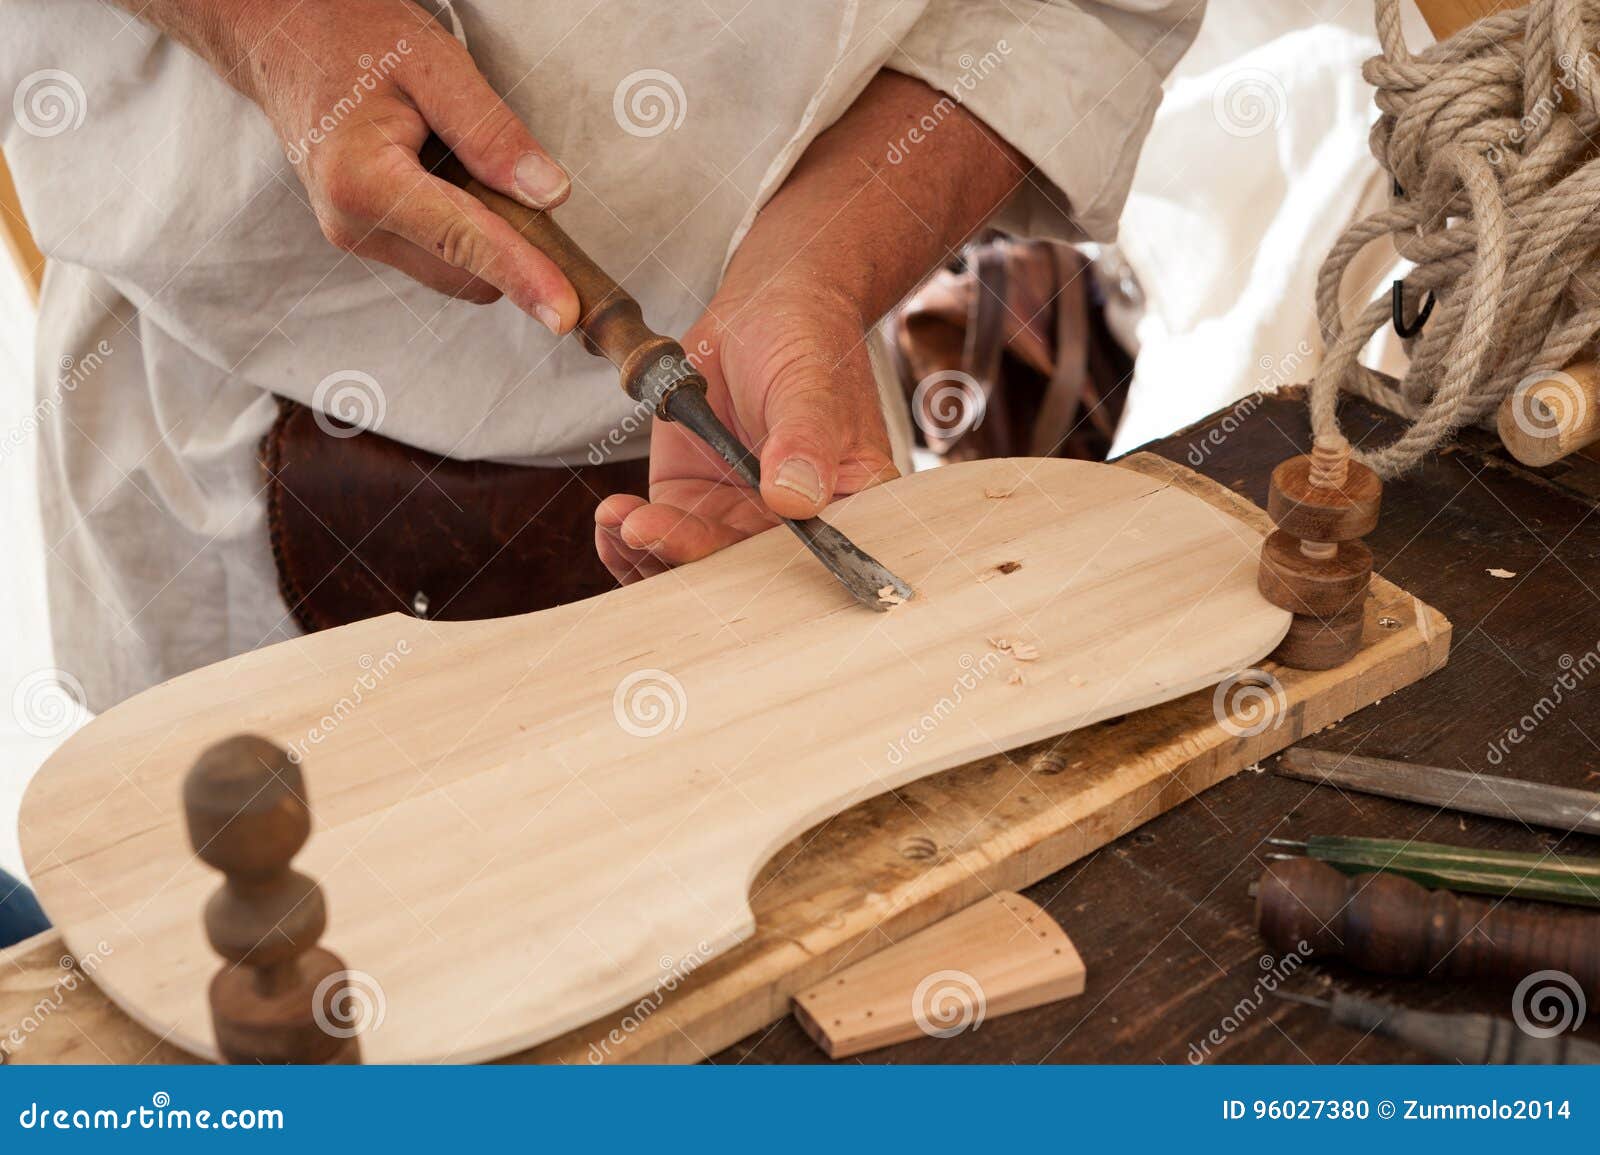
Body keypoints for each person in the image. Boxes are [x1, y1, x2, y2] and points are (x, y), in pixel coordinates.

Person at [4, 0, 1200, 714]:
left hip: (769, 414)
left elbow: (1076, 13)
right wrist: (270, 26)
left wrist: (816, 271)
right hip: (230, 416)